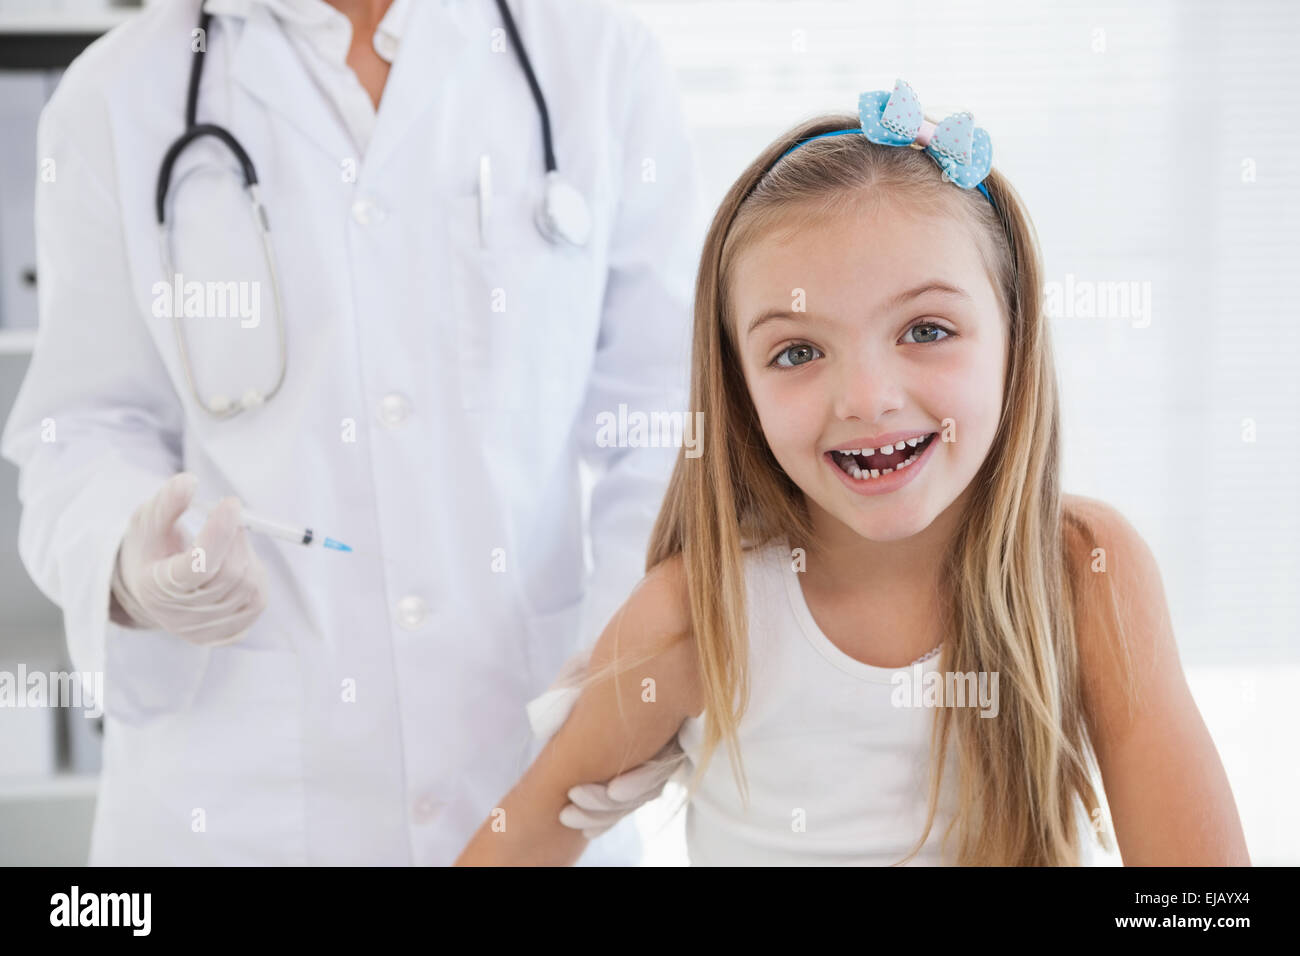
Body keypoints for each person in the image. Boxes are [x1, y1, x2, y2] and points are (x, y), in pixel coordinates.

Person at [454, 81, 1252, 865]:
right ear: (740, 387)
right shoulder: (703, 610)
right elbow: (516, 841)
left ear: (1014, 336)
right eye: (797, 352)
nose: (867, 399)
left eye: (926, 329)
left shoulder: (1086, 573)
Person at [1, 0, 703, 865]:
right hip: (237, 809)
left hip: (537, 765)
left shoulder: (598, 61)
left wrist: (628, 681)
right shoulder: (117, 92)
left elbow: (669, 416)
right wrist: (131, 567)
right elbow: (84, 423)